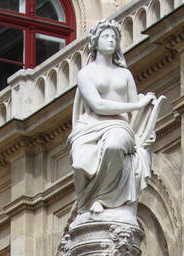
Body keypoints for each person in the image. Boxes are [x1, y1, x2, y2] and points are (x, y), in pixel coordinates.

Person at [69, 18, 162, 225]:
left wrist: (145, 123)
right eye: (106, 36)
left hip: (120, 127)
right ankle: (87, 200)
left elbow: (134, 113)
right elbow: (99, 106)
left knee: (113, 146)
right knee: (79, 162)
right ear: (95, 41)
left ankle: (103, 199)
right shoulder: (86, 74)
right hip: (90, 127)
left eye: (114, 37)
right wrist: (137, 105)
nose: (111, 40)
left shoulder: (125, 74)